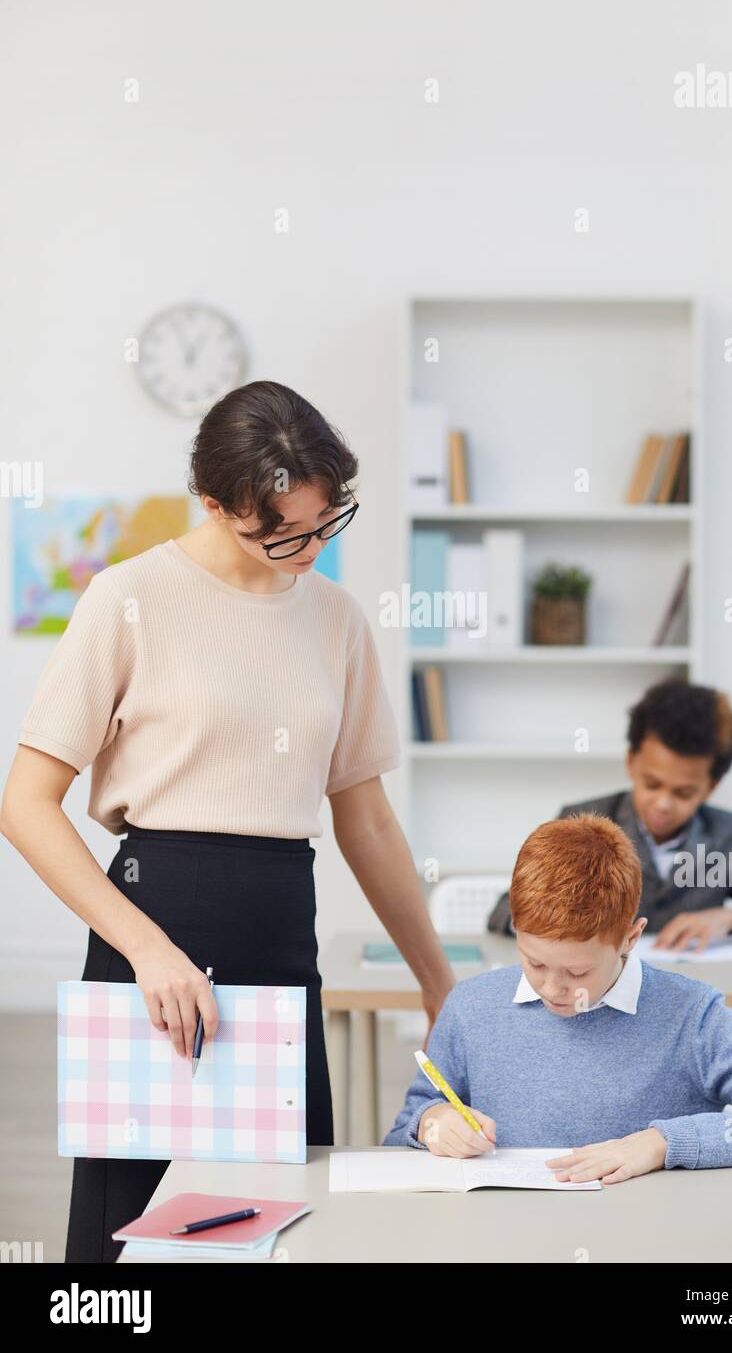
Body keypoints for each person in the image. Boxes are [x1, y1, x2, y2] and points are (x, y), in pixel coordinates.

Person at [1, 380, 455, 1262]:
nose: (311, 549)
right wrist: (147, 949)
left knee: (273, 1227)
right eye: (282, 532)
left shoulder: (336, 619)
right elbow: (23, 804)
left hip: (283, 940)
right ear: (214, 504)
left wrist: (435, 979)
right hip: (150, 943)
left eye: (328, 522)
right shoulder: (127, 600)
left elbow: (364, 820)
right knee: (128, 1244)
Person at [384, 814, 732, 1177]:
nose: (552, 988)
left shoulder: (691, 1016)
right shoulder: (470, 1008)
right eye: (534, 962)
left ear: (630, 938)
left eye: (577, 971)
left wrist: (661, 1143)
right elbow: (407, 1126)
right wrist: (431, 1124)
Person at [488, 678, 732, 948]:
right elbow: (504, 912)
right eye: (652, 784)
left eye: (683, 793)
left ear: (711, 785)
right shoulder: (581, 823)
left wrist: (731, 919)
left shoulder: (728, 837)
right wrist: (568, 923)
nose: (663, 803)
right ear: (631, 762)